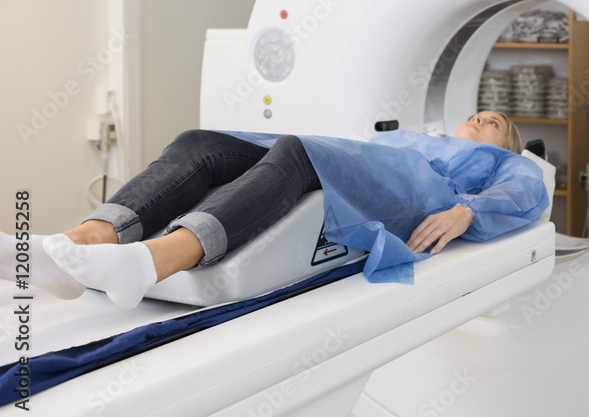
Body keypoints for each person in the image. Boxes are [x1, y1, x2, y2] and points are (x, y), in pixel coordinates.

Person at [1, 111, 548, 309]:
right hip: (373, 167)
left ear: (507, 145)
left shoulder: (501, 167)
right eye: (477, 115)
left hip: (418, 193)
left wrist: (467, 213)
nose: (481, 119)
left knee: (296, 149)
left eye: (495, 122)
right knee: (203, 142)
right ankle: (74, 246)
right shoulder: (411, 137)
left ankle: (150, 260)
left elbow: (528, 195)